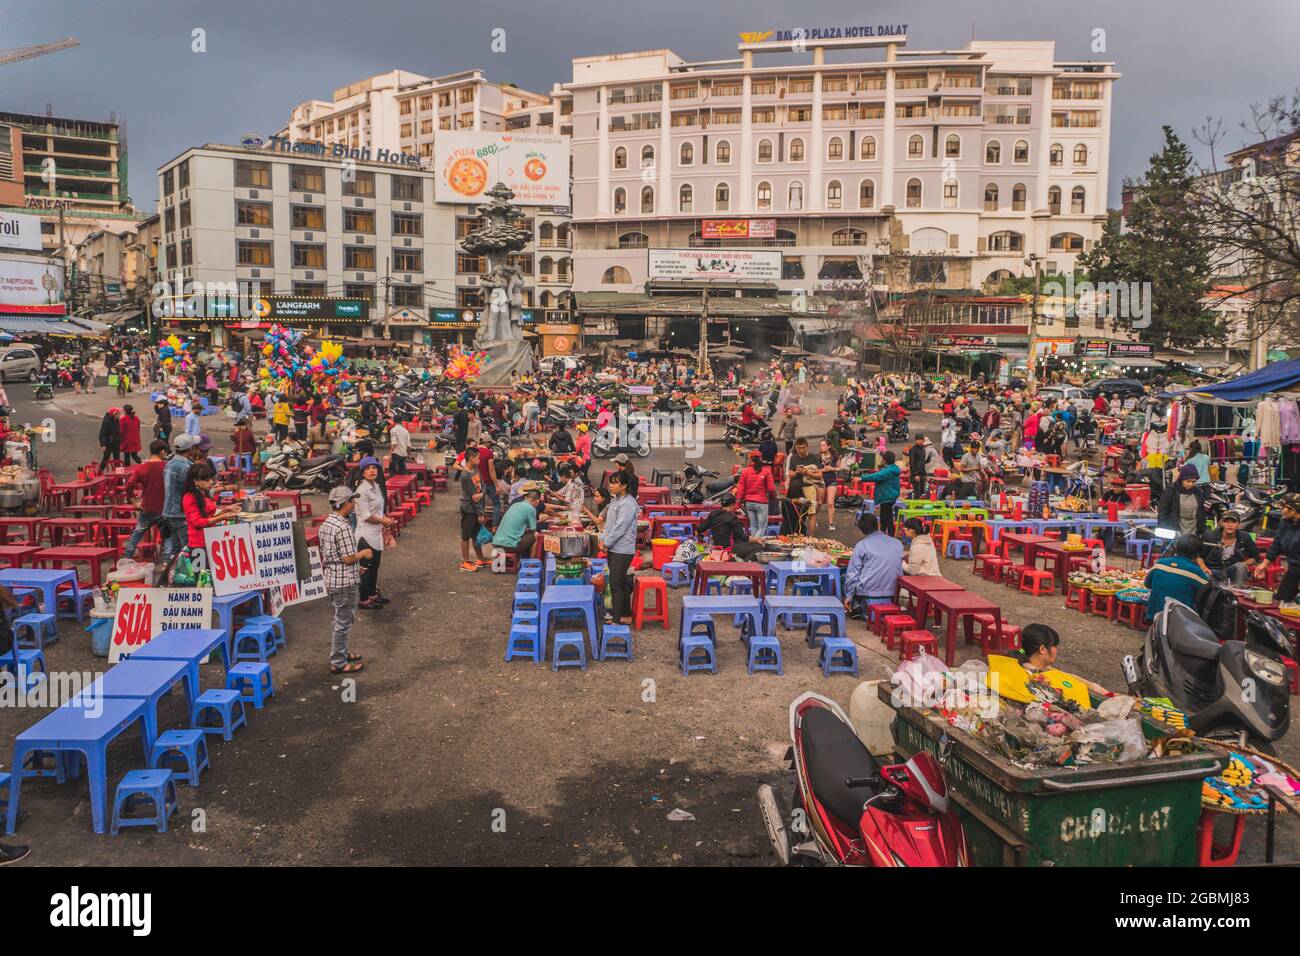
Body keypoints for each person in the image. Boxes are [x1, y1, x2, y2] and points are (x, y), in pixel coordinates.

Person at [319, 485, 371, 675]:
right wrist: (363, 554)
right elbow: (348, 558)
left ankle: (340, 652)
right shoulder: (342, 527)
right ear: (346, 503)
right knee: (343, 622)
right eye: (352, 500)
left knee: (339, 619)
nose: (354, 503)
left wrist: (357, 567)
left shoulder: (327, 523)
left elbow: (333, 555)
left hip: (333, 578)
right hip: (344, 583)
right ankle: (338, 662)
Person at [353, 457, 395, 610]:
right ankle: (363, 599)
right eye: (368, 469)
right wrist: (384, 521)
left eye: (374, 468)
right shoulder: (361, 491)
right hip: (365, 534)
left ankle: (372, 595)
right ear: (362, 473)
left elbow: (377, 510)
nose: (372, 471)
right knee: (366, 568)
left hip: (376, 532)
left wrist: (385, 520)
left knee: (375, 566)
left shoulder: (376, 486)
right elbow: (365, 516)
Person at [843, 513, 905, 617]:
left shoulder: (862, 545)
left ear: (862, 530)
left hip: (869, 590)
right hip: (894, 589)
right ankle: (859, 606)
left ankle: (855, 606)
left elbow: (853, 574)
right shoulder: (897, 543)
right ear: (879, 524)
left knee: (843, 578)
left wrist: (848, 596)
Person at [181, 462, 240, 565]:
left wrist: (226, 510)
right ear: (195, 481)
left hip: (211, 542)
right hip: (198, 546)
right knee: (201, 579)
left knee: (212, 577)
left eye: (210, 479)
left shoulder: (204, 495)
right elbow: (197, 522)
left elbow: (209, 518)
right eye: (206, 479)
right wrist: (222, 517)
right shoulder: (189, 498)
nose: (211, 482)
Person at [600, 471, 640, 625]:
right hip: (614, 547)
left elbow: (620, 527)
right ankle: (626, 615)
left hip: (622, 549)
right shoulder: (616, 500)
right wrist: (604, 539)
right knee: (621, 583)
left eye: (614, 482)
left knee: (615, 584)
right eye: (610, 482)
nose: (610, 485)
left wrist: (607, 543)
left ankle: (616, 620)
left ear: (623, 486)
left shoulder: (628, 503)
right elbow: (610, 524)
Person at [123, 439, 171, 560]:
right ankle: (167, 567)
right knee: (168, 538)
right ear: (162, 452)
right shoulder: (167, 467)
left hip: (147, 507)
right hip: (164, 509)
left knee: (136, 536)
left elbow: (129, 486)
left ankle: (125, 560)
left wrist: (134, 501)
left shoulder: (142, 468)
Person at [1145, 534, 1211, 620]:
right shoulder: (1195, 571)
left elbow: (1147, 584)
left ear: (1176, 548)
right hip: (1179, 621)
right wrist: (1202, 565)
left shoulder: (1160, 563)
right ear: (1198, 554)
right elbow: (1208, 592)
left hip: (1154, 615)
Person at [162, 433, 203, 565]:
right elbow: (192, 489)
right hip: (180, 513)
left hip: (169, 512)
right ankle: (192, 579)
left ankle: (167, 577)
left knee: (175, 550)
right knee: (189, 549)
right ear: (190, 449)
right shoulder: (186, 467)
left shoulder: (170, 464)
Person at [1198, 511, 1261, 586]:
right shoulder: (1209, 536)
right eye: (1226, 522)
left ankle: (1238, 591)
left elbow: (1255, 557)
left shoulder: (1244, 537)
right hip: (1212, 570)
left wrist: (1243, 564)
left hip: (1233, 570)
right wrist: (1203, 567)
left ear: (1238, 524)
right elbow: (1198, 556)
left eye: (1233, 522)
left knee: (1240, 566)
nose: (1230, 525)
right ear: (1221, 523)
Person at [698, 494, 764, 560]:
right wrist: (757, 540)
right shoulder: (732, 518)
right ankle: (745, 564)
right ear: (732, 504)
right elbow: (742, 536)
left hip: (716, 547)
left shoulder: (713, 514)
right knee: (759, 547)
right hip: (729, 549)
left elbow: (700, 528)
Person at [1261, 494, 1300, 602]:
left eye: (1283, 507)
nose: (1281, 510)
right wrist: (1265, 563)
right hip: (1294, 569)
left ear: (1292, 510)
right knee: (1280, 600)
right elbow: (1277, 543)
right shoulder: (1285, 522)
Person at [494, 483, 543, 560]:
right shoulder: (531, 509)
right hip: (509, 546)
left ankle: (518, 562)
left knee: (523, 536)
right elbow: (533, 530)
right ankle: (530, 564)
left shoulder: (515, 504)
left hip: (496, 544)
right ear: (537, 501)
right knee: (536, 535)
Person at [458, 447, 488, 572]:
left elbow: (483, 486)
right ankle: (465, 562)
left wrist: (482, 494)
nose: (479, 460)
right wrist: (480, 513)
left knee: (476, 535)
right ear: (471, 458)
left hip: (478, 506)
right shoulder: (465, 476)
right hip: (469, 509)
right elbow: (473, 497)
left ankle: (480, 559)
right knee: (466, 535)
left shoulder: (476, 470)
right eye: (477, 458)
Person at [860, 451, 901, 537]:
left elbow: (876, 476)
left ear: (885, 460)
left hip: (887, 496)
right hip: (890, 496)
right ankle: (883, 534)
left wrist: (861, 478)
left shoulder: (888, 471)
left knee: (887, 518)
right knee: (885, 517)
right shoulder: (893, 469)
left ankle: (889, 536)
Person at [1157, 464, 1207, 535]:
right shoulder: (1170, 491)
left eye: (1193, 482)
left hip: (1194, 531)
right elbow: (1163, 513)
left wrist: (1202, 529)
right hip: (1175, 531)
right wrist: (1163, 532)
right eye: (1188, 481)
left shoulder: (1198, 492)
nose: (1190, 484)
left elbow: (1201, 513)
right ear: (1181, 480)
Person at [736, 450, 776, 537]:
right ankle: (754, 544)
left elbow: (740, 489)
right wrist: (773, 499)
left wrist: (738, 503)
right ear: (761, 458)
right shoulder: (766, 471)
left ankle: (753, 547)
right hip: (762, 503)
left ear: (750, 459)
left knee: (753, 526)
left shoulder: (745, 471)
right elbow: (771, 489)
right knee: (762, 528)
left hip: (749, 503)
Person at [818, 438, 839, 532]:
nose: (822, 447)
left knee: (830, 503)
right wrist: (823, 470)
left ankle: (831, 523)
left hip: (832, 480)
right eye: (821, 445)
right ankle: (813, 517)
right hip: (821, 481)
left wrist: (832, 468)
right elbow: (814, 470)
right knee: (819, 502)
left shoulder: (834, 456)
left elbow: (839, 468)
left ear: (829, 446)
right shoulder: (817, 456)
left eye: (824, 445)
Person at [906, 433, 928, 500]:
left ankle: (920, 508)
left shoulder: (923, 450)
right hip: (916, 474)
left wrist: (924, 474)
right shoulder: (913, 450)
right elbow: (912, 462)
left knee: (922, 492)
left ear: (924, 440)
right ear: (916, 440)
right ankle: (916, 507)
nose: (920, 441)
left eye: (921, 439)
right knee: (917, 492)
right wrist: (915, 474)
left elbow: (923, 462)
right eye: (918, 439)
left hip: (922, 473)